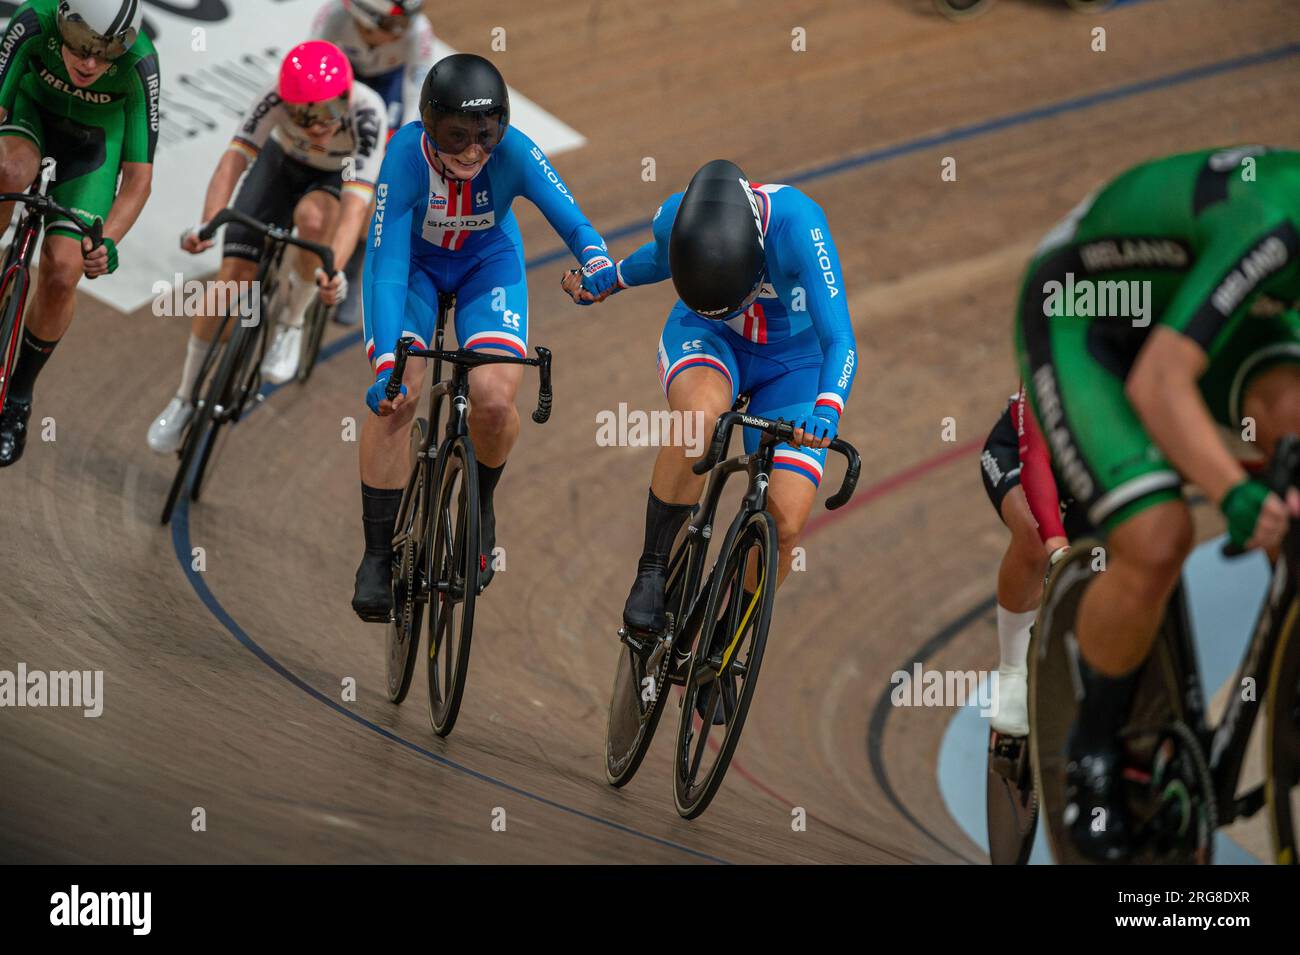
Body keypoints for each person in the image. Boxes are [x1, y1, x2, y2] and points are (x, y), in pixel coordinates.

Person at [1015, 146, 1300, 862]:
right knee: (1159, 535)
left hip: (1196, 303)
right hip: (1085, 310)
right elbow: (1157, 383)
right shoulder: (1272, 224)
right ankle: (1091, 749)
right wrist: (1235, 493)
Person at [566, 159, 856, 721]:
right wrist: (615, 278)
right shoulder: (678, 217)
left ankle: (727, 636)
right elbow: (658, 259)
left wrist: (827, 407)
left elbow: (840, 339)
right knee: (698, 421)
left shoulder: (801, 227)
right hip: (710, 337)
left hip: (795, 366)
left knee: (788, 518)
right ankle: (654, 567)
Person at [351, 53, 617, 620]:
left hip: (485, 265)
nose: (474, 151)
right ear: (429, 126)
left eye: (485, 135)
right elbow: (388, 267)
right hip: (414, 269)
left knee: (495, 400)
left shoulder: (514, 151)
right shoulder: (404, 156)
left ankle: (481, 502)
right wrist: (384, 369)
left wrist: (597, 262)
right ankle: (377, 556)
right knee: (401, 392)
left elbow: (573, 221)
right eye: (457, 136)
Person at [147, 41, 387, 454]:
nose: (317, 124)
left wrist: (333, 270)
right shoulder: (272, 95)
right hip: (281, 165)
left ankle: (292, 321)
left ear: (346, 96)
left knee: (314, 220)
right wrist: (208, 222)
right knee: (230, 283)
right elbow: (233, 161)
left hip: (334, 178)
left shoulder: (369, 112)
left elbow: (354, 209)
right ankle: (184, 397)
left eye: (329, 111)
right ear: (286, 104)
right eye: (303, 114)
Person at [0, 0, 159, 467]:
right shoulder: (34, 18)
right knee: (8, 171)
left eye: (107, 50)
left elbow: (138, 178)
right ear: (64, 21)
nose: (91, 63)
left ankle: (18, 400)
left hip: (91, 150)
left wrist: (107, 240)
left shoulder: (141, 62)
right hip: (29, 120)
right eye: (82, 45)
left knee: (64, 270)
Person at [311, 0, 436, 326]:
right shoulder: (335, 16)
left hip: (387, 90)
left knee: (380, 177)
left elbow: (415, 94)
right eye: (394, 25)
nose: (402, 31)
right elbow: (311, 68)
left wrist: (396, 145)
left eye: (406, 22)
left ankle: (353, 268)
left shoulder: (418, 31)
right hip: (340, 79)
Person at [979, 385, 1071, 737]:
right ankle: (1012, 670)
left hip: (1090, 466)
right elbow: (1035, 458)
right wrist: (1056, 544)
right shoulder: (1056, 336)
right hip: (1019, 453)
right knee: (1034, 536)